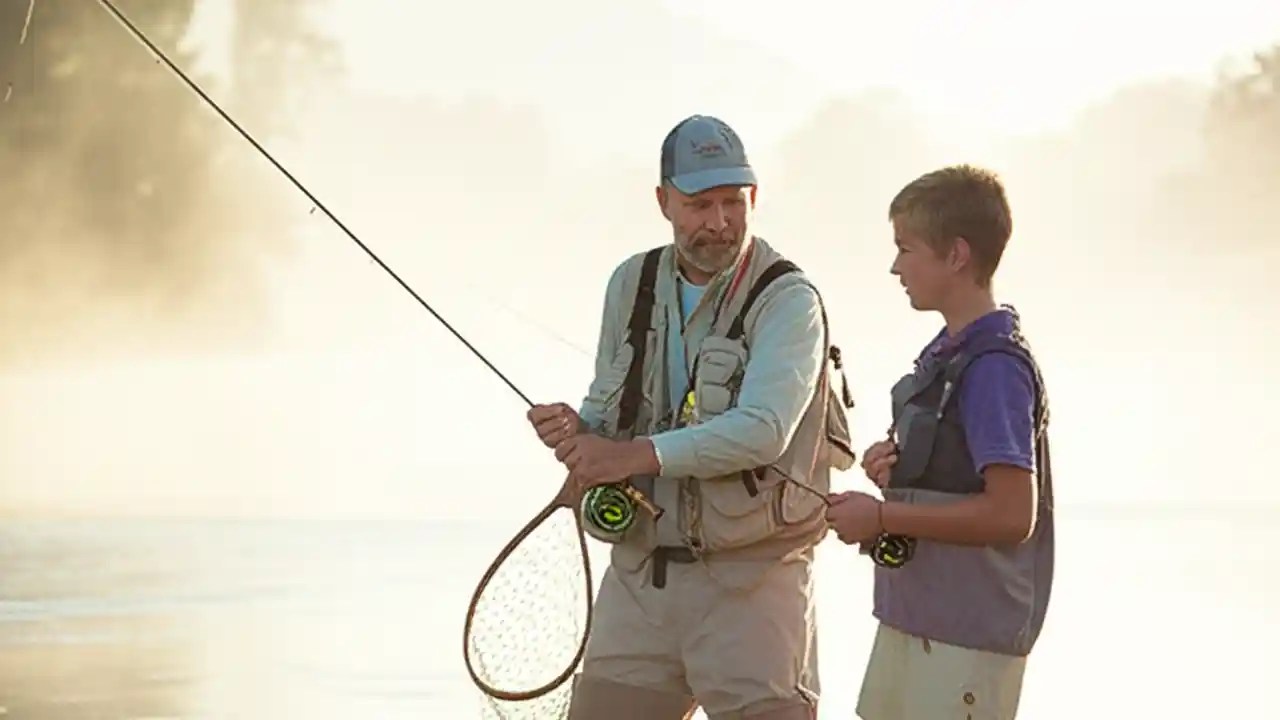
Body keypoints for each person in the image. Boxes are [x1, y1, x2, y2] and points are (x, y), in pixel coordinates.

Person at [525, 114, 855, 720]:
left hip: (755, 588)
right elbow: (606, 405)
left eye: (735, 201)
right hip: (640, 579)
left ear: (754, 197)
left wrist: (627, 457)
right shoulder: (631, 282)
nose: (720, 222)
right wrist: (580, 434)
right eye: (701, 204)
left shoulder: (790, 301)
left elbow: (762, 430)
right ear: (663, 201)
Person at [824, 165, 1055, 720]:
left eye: (906, 249)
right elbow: (960, 476)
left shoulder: (995, 368)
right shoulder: (948, 354)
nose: (895, 266)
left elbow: (1010, 515)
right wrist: (899, 474)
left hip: (966, 637)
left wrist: (883, 519)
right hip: (913, 619)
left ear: (956, 255)